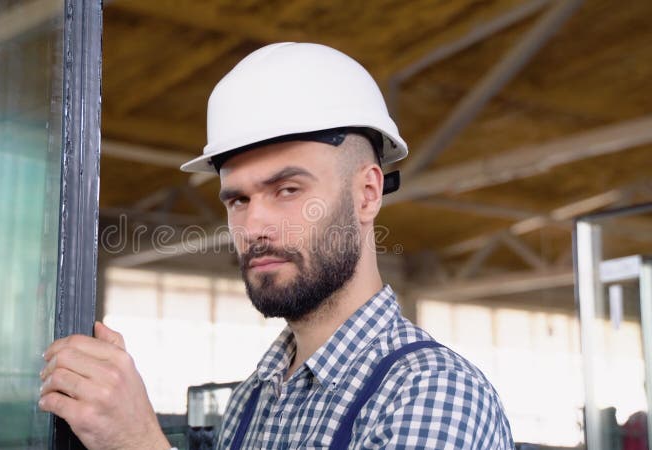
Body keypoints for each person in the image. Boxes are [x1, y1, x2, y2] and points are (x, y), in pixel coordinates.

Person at [39, 42, 514, 449]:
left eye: (288, 190)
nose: (255, 224)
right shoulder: (253, 401)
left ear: (367, 193)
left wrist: (139, 440)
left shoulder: (431, 393)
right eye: (238, 198)